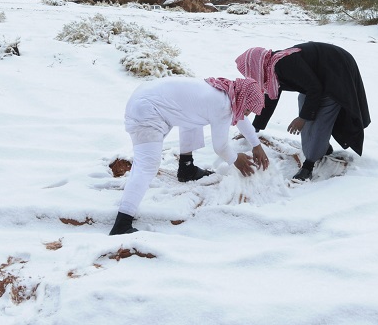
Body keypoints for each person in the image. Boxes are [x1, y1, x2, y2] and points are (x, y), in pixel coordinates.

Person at [109, 76, 270, 235]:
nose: (246, 114)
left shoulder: (224, 91)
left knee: (193, 118)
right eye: (248, 109)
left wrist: (256, 144)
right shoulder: (222, 105)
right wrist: (236, 159)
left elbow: (239, 116)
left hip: (147, 98)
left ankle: (187, 169)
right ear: (242, 99)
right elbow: (220, 147)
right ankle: (122, 224)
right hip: (147, 109)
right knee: (146, 166)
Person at [236, 42, 369, 181]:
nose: (250, 76)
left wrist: (302, 118)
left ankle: (308, 165)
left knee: (321, 117)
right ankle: (323, 147)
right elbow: (270, 98)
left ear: (256, 64)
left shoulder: (284, 64)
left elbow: (315, 89)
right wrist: (253, 130)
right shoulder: (272, 69)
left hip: (337, 71)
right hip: (319, 79)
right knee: (305, 103)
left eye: (249, 71)